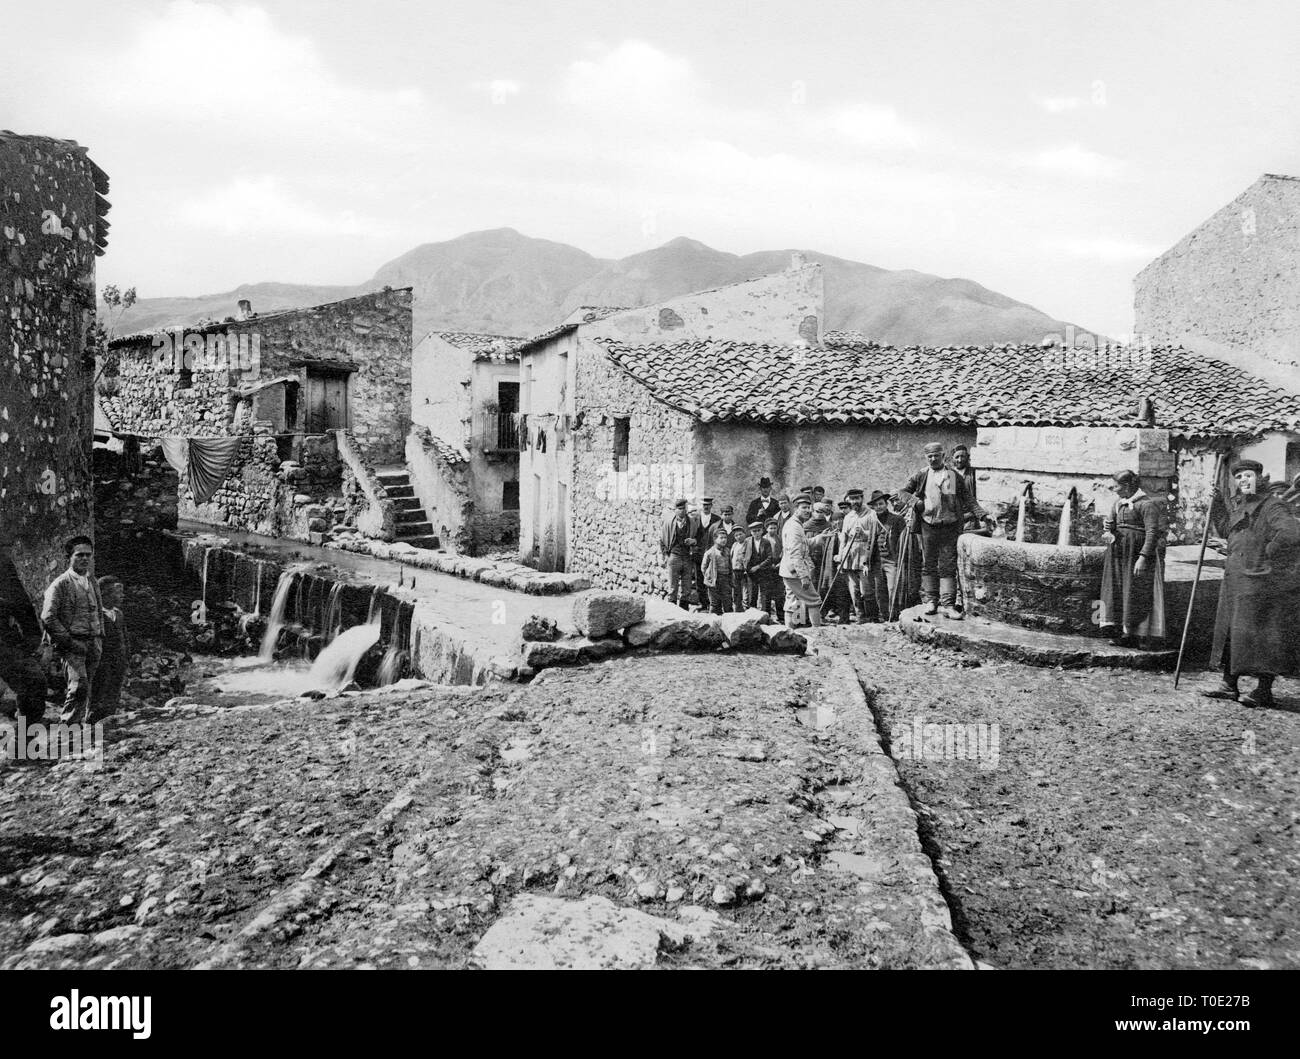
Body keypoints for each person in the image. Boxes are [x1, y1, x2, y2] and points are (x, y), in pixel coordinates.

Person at [1202, 459, 1300, 709]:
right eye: (1239, 477)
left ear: (1260, 477)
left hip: (1259, 582)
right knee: (1232, 633)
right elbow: (1227, 531)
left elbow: (1290, 534)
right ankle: (1228, 685)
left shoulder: (1272, 505)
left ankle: (1263, 691)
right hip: (1236, 581)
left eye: (1248, 476)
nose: (1243, 481)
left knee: (1264, 636)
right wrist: (1218, 507)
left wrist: (1266, 552)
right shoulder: (1240, 504)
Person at [898, 442, 989, 618]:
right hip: (928, 525)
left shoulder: (952, 476)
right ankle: (931, 601)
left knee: (948, 565)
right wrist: (915, 502)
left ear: (943, 456)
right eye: (929, 456)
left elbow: (968, 498)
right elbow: (902, 492)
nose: (933, 459)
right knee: (929, 564)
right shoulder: (922, 475)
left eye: (936, 456)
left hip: (950, 526)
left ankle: (948, 605)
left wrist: (982, 515)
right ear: (926, 458)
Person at [1098, 470, 1167, 648]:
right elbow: (1112, 525)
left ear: (1127, 486)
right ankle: (1124, 632)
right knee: (1120, 591)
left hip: (1136, 554)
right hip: (1119, 555)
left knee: (1137, 592)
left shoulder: (1146, 505)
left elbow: (1152, 533)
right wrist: (1109, 526)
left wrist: (1143, 557)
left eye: (1116, 486)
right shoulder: (1117, 504)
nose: (1114, 490)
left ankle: (1143, 635)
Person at [42, 535, 104, 725]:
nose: (84, 559)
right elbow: (48, 617)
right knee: (79, 686)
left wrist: (100, 635)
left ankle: (83, 726)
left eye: (88, 555)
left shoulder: (92, 581)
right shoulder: (60, 584)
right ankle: (67, 730)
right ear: (69, 557)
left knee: (89, 685)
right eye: (79, 555)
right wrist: (68, 641)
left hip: (93, 642)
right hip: (72, 644)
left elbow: (99, 609)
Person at [0, 532, 47, 723]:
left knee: (34, 681)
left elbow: (19, 598)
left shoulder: (1, 562)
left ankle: (25, 741)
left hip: (3, 637)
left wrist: (33, 634)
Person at [839, 488, 890, 622]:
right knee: (854, 590)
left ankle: (872, 617)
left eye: (857, 498)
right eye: (852, 499)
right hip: (849, 556)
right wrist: (840, 557)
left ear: (862, 498)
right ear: (848, 500)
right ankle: (860, 618)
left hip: (865, 555)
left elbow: (879, 534)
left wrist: (864, 533)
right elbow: (843, 539)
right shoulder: (848, 517)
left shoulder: (871, 514)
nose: (855, 501)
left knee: (866, 590)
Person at [91, 575, 130, 721]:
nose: (122, 596)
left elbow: (124, 638)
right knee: (99, 694)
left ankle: (110, 722)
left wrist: (127, 658)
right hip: (101, 664)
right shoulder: (95, 615)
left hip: (118, 662)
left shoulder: (118, 614)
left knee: (114, 694)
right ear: (105, 594)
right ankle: (94, 725)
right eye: (118, 593)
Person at [780, 495, 822, 627]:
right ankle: (818, 635)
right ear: (796, 509)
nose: (808, 510)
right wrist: (803, 576)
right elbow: (795, 553)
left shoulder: (796, 524)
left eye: (809, 507)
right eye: (804, 507)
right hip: (796, 571)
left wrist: (819, 537)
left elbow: (802, 544)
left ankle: (792, 633)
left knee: (793, 600)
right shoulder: (794, 527)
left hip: (789, 570)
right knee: (813, 600)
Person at [659, 499, 696, 609]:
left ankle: (684, 612)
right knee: (673, 587)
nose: (681, 511)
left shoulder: (692, 523)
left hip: (687, 557)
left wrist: (693, 542)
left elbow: (698, 538)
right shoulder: (669, 523)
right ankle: (672, 611)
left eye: (684, 508)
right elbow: (662, 540)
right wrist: (666, 555)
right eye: (679, 509)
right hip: (674, 556)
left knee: (687, 587)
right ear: (675, 510)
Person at [690, 497, 721, 609]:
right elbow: (691, 534)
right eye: (704, 505)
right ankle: (703, 604)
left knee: (713, 577)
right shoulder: (694, 518)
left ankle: (713, 604)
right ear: (701, 506)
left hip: (712, 553)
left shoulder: (717, 519)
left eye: (708, 505)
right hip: (698, 553)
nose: (706, 507)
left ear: (711, 505)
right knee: (699, 579)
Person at [700, 530, 733, 615]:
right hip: (714, 580)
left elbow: (730, 565)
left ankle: (729, 622)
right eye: (721, 538)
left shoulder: (728, 551)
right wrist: (710, 577)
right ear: (715, 539)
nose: (724, 540)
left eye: (725, 538)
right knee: (714, 603)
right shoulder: (709, 553)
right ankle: (713, 623)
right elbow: (703, 567)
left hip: (725, 579)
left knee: (728, 601)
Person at [743, 520, 773, 614]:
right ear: (751, 532)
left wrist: (759, 566)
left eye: (758, 530)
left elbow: (769, 558)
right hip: (751, 572)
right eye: (753, 531)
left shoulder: (766, 542)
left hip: (764, 571)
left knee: (765, 594)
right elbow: (743, 555)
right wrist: (747, 568)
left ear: (762, 531)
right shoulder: (747, 541)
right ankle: (752, 615)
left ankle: (765, 615)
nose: (756, 533)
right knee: (752, 593)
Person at [952, 445, 981, 532]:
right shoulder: (950, 474)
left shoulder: (973, 473)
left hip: (970, 516)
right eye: (957, 457)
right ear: (952, 458)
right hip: (955, 517)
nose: (960, 460)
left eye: (962, 456)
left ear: (967, 457)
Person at [764, 518, 786, 620]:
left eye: (774, 528)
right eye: (770, 528)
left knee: (779, 592)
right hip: (767, 568)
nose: (773, 530)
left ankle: (780, 616)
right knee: (767, 593)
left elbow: (783, 551)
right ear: (767, 529)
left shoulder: (780, 539)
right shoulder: (764, 539)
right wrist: (769, 564)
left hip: (778, 567)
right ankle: (766, 615)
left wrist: (780, 563)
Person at [730, 528, 749, 611]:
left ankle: (746, 606)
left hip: (744, 570)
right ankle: (737, 607)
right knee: (736, 589)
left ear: (744, 534)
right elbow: (731, 556)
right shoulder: (734, 545)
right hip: (735, 570)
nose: (739, 537)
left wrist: (746, 568)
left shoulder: (748, 544)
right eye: (736, 535)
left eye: (740, 534)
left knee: (746, 589)